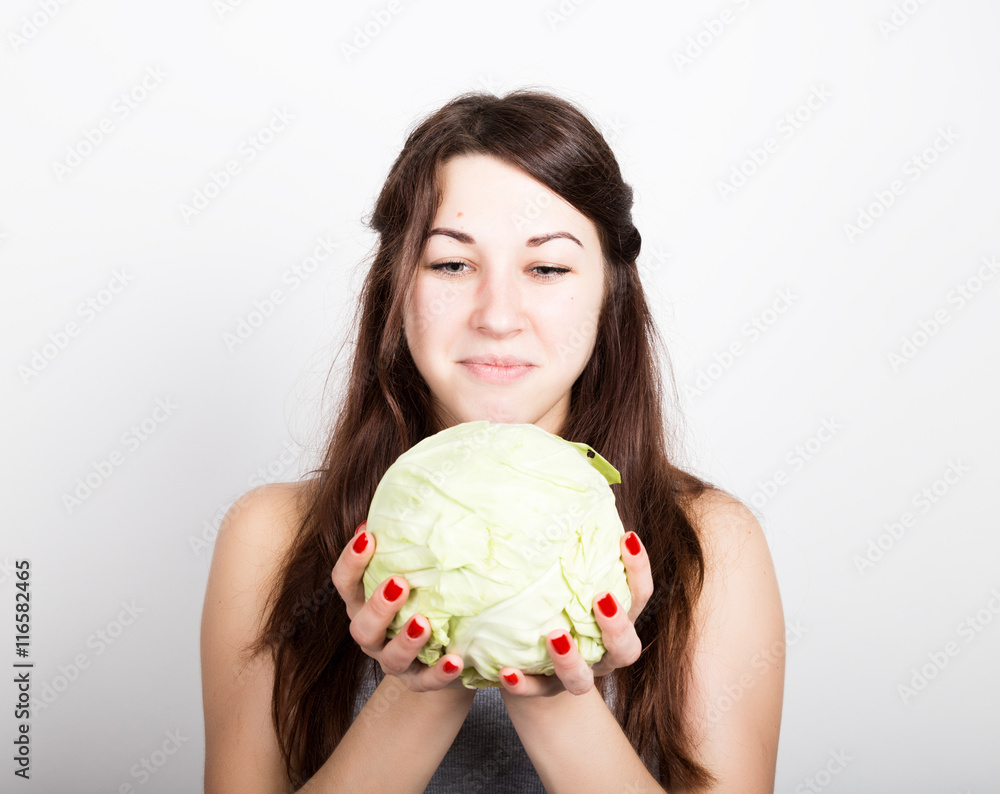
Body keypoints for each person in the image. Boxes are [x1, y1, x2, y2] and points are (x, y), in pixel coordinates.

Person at [200, 88, 785, 793]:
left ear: (610, 294)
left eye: (547, 268)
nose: (499, 315)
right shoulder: (270, 536)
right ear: (396, 288)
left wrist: (559, 694)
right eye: (452, 264)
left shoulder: (711, 543)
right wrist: (423, 684)